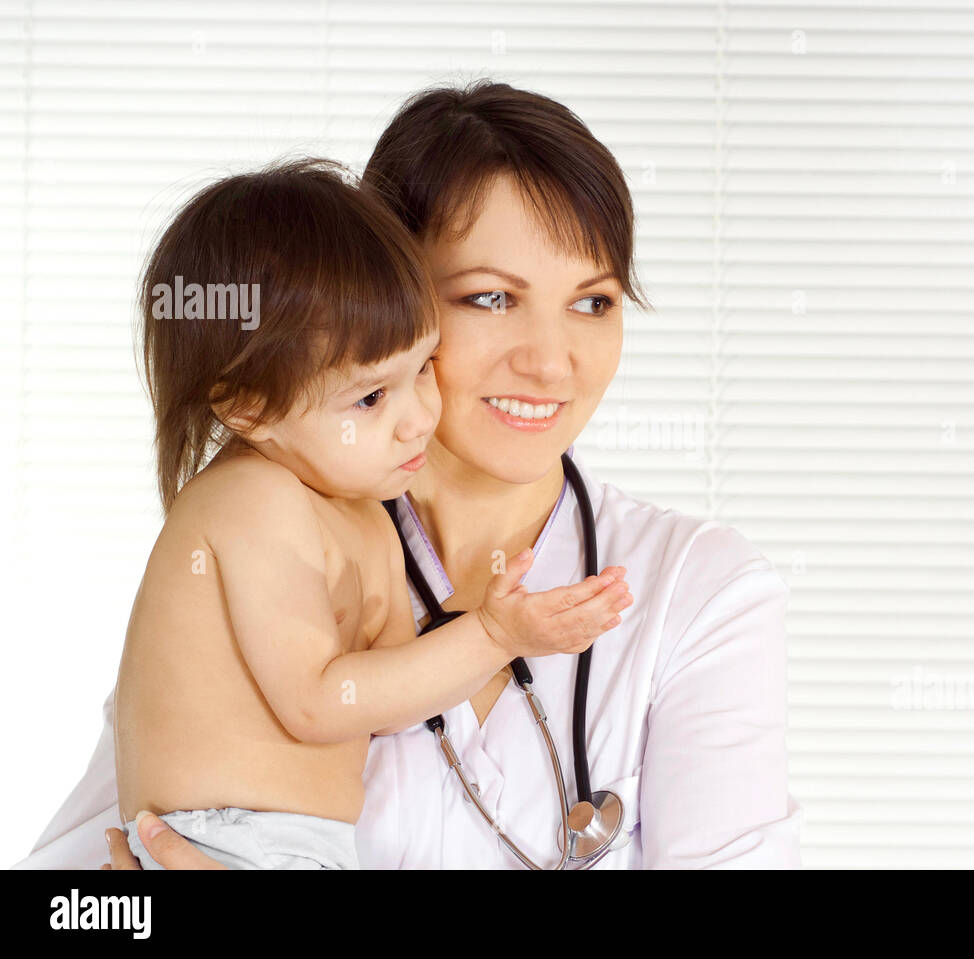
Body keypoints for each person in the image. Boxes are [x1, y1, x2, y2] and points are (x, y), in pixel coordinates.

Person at [17, 80, 802, 870]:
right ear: (380, 289)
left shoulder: (698, 591)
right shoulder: (261, 537)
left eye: (593, 302)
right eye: (491, 297)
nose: (550, 361)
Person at [112, 159, 633, 869]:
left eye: (421, 368)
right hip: (225, 842)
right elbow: (318, 704)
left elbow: (392, 699)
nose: (418, 417)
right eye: (369, 399)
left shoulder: (367, 516)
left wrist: (501, 626)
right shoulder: (252, 499)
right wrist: (492, 633)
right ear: (249, 407)